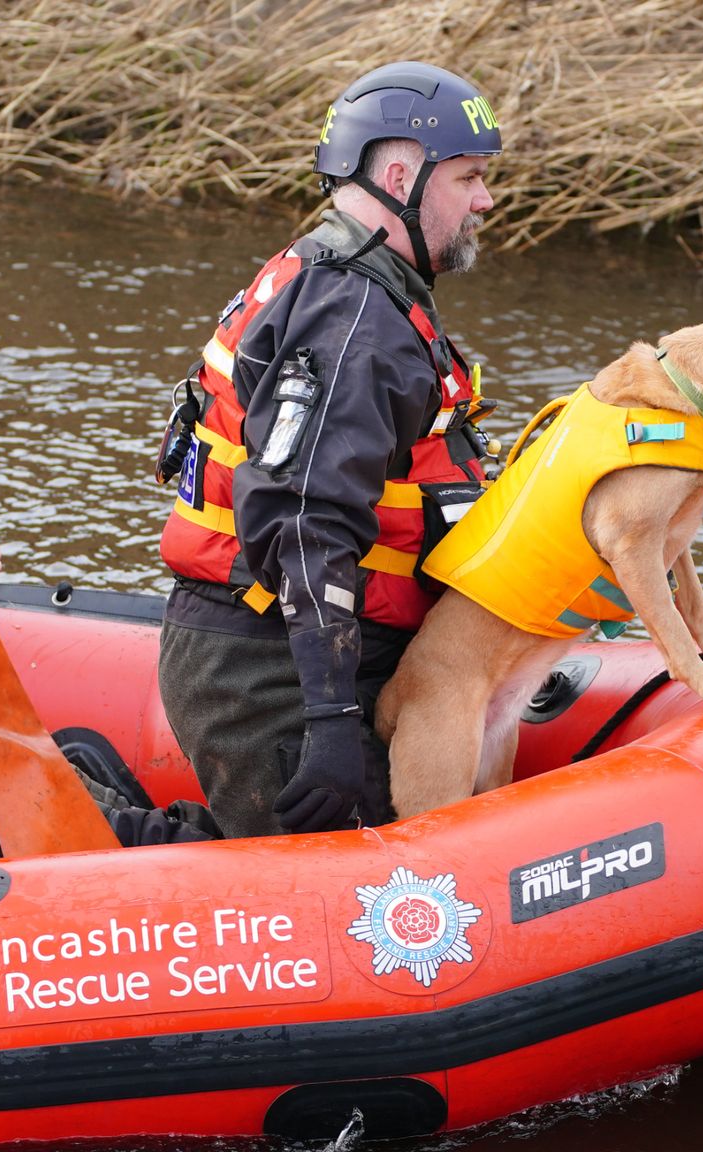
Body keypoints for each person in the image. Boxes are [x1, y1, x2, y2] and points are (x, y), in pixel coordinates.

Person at [155, 61, 501, 837]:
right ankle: (83, 837)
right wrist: (332, 719)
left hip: (307, 648)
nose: (484, 200)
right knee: (343, 898)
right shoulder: (352, 316)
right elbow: (305, 520)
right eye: (470, 178)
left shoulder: (349, 283)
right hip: (270, 669)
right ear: (402, 174)